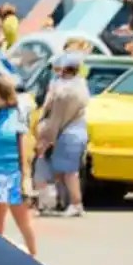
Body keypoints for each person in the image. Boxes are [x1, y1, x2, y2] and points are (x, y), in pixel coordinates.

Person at [0, 77, 38, 255]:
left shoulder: (16, 116)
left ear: (6, 96)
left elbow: (23, 152)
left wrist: (25, 179)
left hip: (12, 173)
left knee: (23, 220)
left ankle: (34, 255)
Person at [36, 53, 90, 217]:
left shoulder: (61, 91)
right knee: (64, 171)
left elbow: (56, 118)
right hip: (79, 130)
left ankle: (75, 203)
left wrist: (45, 139)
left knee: (69, 172)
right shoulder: (80, 84)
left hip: (66, 133)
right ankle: (64, 202)